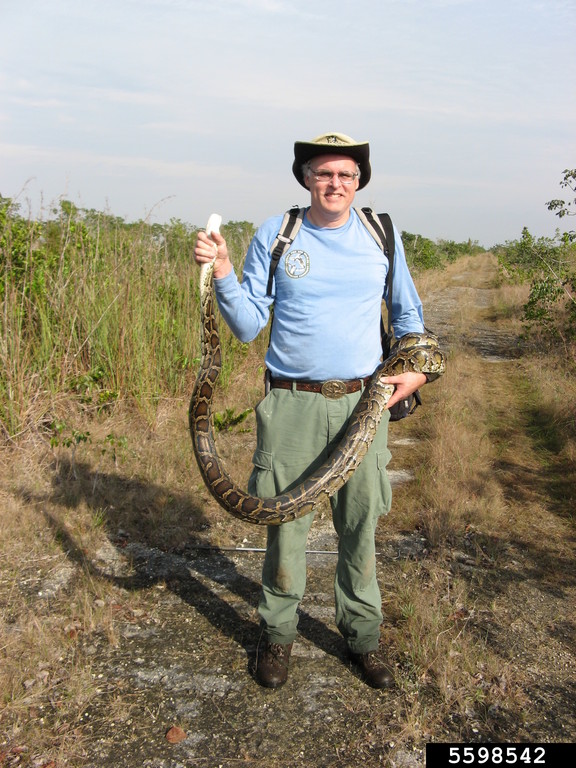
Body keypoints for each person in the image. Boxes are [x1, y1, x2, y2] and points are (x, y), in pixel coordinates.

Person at [194, 132, 427, 689]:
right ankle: (277, 635)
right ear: (305, 178)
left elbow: (410, 317)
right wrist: (223, 270)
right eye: (324, 174)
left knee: (359, 523)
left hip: (363, 400)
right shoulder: (279, 233)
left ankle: (362, 638)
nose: (335, 184)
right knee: (284, 525)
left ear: (359, 182)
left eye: (346, 175)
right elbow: (249, 324)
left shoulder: (380, 234)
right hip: (291, 402)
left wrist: (417, 371)